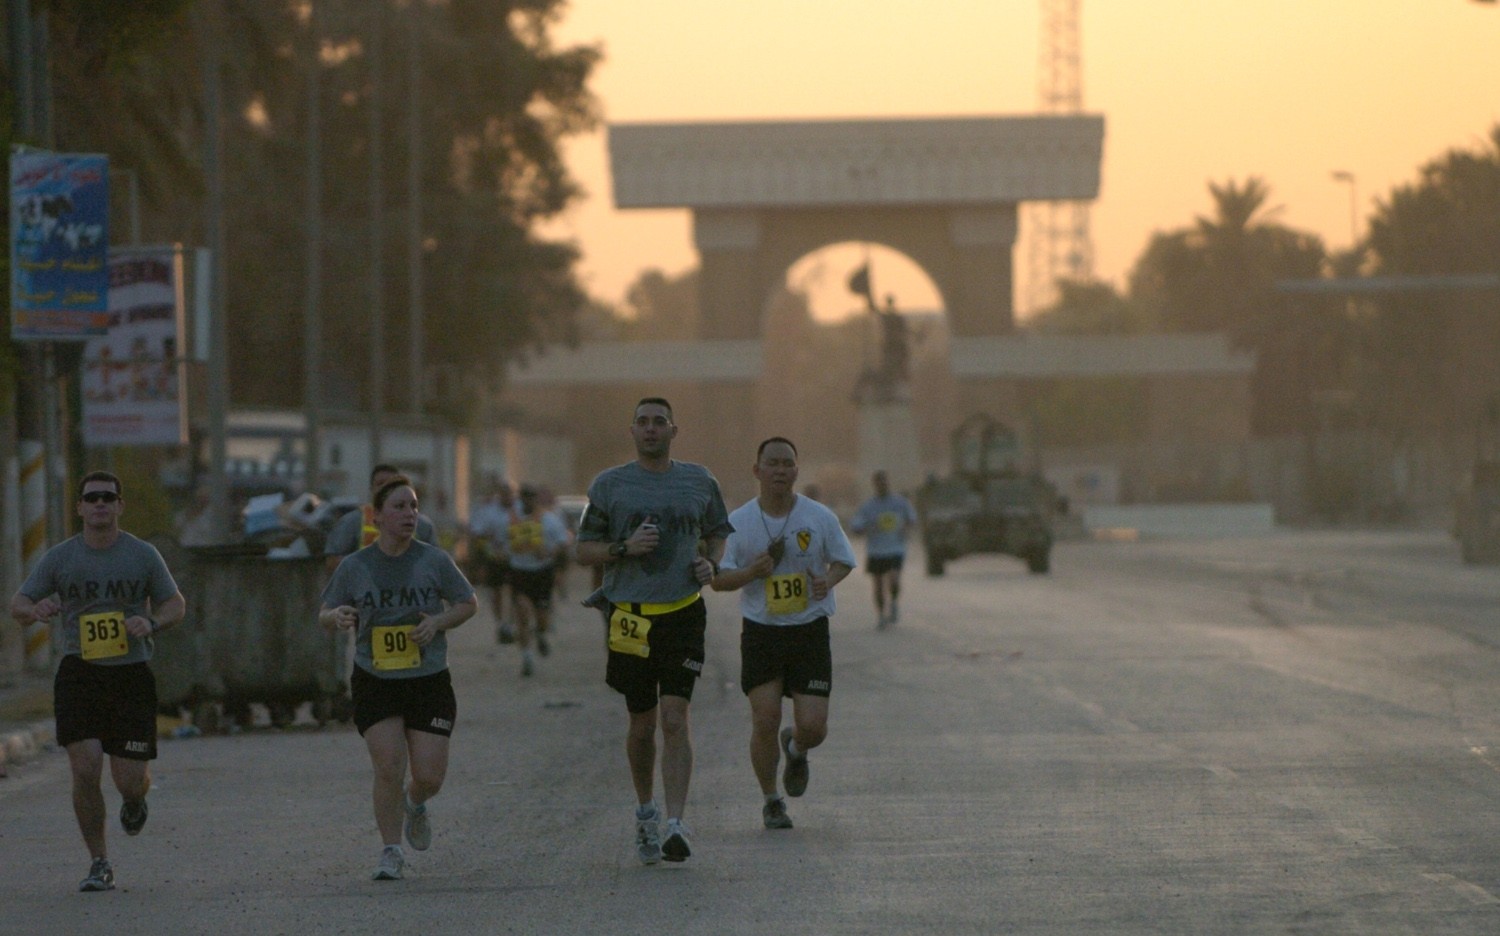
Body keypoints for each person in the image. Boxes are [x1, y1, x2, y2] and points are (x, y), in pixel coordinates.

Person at [9, 470, 186, 893]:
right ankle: (99, 861)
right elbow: (18, 603)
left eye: (108, 497)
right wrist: (37, 610)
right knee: (85, 767)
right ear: (81, 508)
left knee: (127, 778)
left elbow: (175, 603)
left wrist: (152, 621)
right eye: (92, 498)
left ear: (120, 505)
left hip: (130, 676)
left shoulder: (142, 555)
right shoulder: (61, 557)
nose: (100, 504)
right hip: (80, 673)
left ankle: (135, 798)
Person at [574, 397, 732, 865]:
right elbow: (584, 551)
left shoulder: (699, 480)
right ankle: (646, 811)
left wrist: (712, 561)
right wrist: (624, 547)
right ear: (632, 431)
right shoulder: (609, 485)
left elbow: (718, 530)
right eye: (642, 423)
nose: (650, 430)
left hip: (683, 611)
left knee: (674, 717)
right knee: (641, 723)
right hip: (630, 615)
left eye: (658, 422)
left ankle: (677, 823)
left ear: (672, 431)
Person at [319, 475, 477, 881]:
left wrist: (438, 622)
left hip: (427, 679)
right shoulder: (356, 566)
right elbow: (326, 610)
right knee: (388, 765)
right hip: (376, 677)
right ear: (376, 516)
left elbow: (467, 602)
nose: (410, 514)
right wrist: (337, 617)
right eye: (400, 507)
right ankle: (390, 851)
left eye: (414, 507)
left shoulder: (433, 560)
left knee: (428, 776)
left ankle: (416, 802)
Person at [712, 438, 855, 830]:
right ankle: (771, 800)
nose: (780, 470)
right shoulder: (738, 522)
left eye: (787, 464)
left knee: (814, 726)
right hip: (762, 632)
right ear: (757, 471)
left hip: (809, 631)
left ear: (796, 471)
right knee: (765, 718)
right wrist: (751, 573)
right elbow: (719, 580)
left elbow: (844, 561)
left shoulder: (819, 516)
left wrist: (827, 581)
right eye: (772, 463)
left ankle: (797, 746)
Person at [504, 483, 571, 677]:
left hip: (542, 572)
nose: (528, 500)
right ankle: (527, 658)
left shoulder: (549, 519)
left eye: (532, 496)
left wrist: (549, 552)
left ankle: (541, 634)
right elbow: (499, 542)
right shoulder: (510, 519)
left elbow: (564, 541)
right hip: (519, 572)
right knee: (523, 614)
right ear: (520, 498)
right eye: (525, 496)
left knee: (542, 617)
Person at [325, 463, 438, 573]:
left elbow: (435, 563)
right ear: (371, 489)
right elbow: (332, 562)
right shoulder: (352, 522)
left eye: (391, 485)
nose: (385, 489)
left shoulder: (422, 525)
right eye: (380, 484)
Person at [849, 469, 918, 628]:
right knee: (878, 585)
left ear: (888, 482)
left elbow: (912, 518)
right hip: (876, 550)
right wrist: (860, 529)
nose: (882, 485)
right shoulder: (869, 506)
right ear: (874, 485)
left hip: (895, 548)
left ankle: (894, 602)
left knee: (894, 578)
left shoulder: (900, 502)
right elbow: (857, 524)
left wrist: (906, 528)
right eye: (878, 482)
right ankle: (880, 614)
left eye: (884, 481)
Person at [467, 477, 517, 644]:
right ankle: (501, 623)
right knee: (496, 592)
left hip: (515, 558)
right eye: (504, 493)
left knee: (513, 591)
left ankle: (510, 623)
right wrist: (488, 539)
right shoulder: (489, 510)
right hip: (494, 557)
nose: (507, 496)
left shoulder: (519, 509)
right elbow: (476, 532)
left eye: (509, 493)